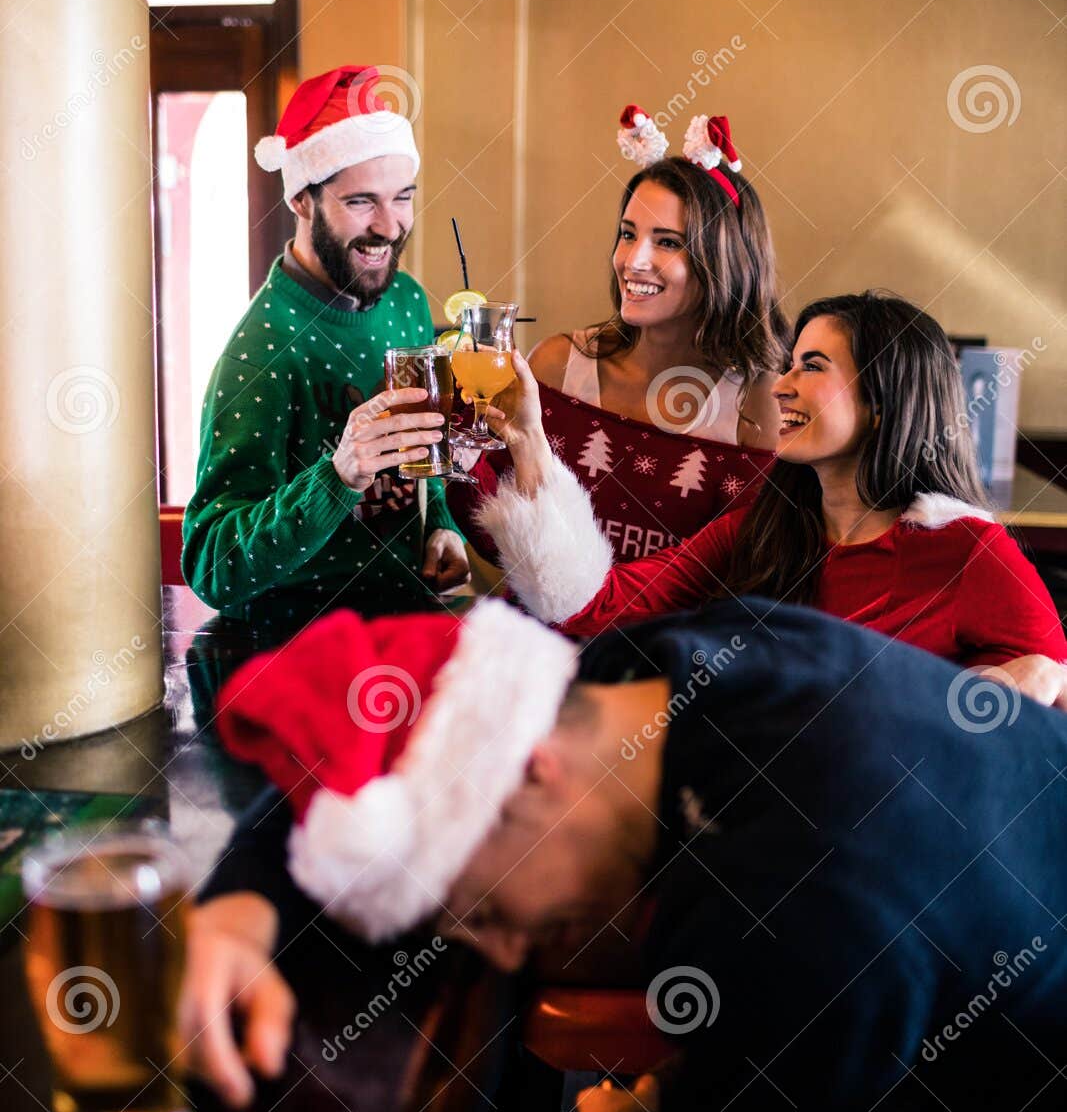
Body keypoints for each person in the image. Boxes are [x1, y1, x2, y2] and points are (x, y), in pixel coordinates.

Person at [179, 596, 1067, 1112]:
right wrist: (237, 907)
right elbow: (395, 742)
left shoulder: (792, 904)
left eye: (481, 912)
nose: (500, 950)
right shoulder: (652, 672)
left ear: (531, 775)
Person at [474, 291, 1067, 703]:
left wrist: (1022, 682)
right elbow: (589, 606)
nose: (780, 385)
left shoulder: (967, 552)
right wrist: (528, 441)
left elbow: (1046, 696)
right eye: (788, 365)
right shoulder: (759, 527)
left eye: (811, 367)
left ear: (883, 401)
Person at [181, 64, 468, 631]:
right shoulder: (259, 352)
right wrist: (337, 477)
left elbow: (420, 461)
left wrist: (442, 530)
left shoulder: (406, 298)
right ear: (303, 201)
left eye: (403, 197)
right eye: (362, 202)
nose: (390, 226)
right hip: (291, 650)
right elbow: (212, 566)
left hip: (405, 631)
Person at [448, 108, 785, 570]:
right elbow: (500, 540)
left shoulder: (760, 403)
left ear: (724, 261)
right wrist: (456, 447)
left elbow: (737, 580)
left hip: (676, 645)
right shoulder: (557, 365)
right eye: (628, 234)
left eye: (667, 242)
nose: (633, 260)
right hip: (540, 637)